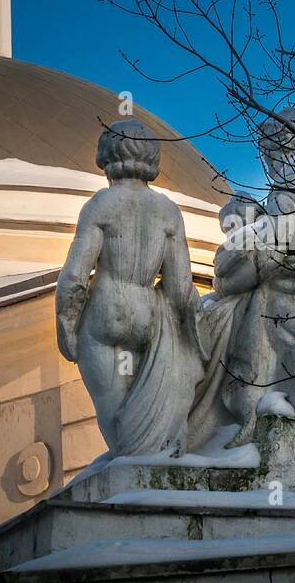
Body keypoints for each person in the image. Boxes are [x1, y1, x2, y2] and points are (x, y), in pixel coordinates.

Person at [55, 119, 200, 456]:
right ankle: (148, 464)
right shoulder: (168, 212)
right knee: (141, 401)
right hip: (147, 316)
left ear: (107, 158)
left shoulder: (101, 206)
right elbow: (180, 287)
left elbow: (75, 276)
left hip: (106, 313)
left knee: (112, 408)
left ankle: (128, 466)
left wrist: (67, 328)